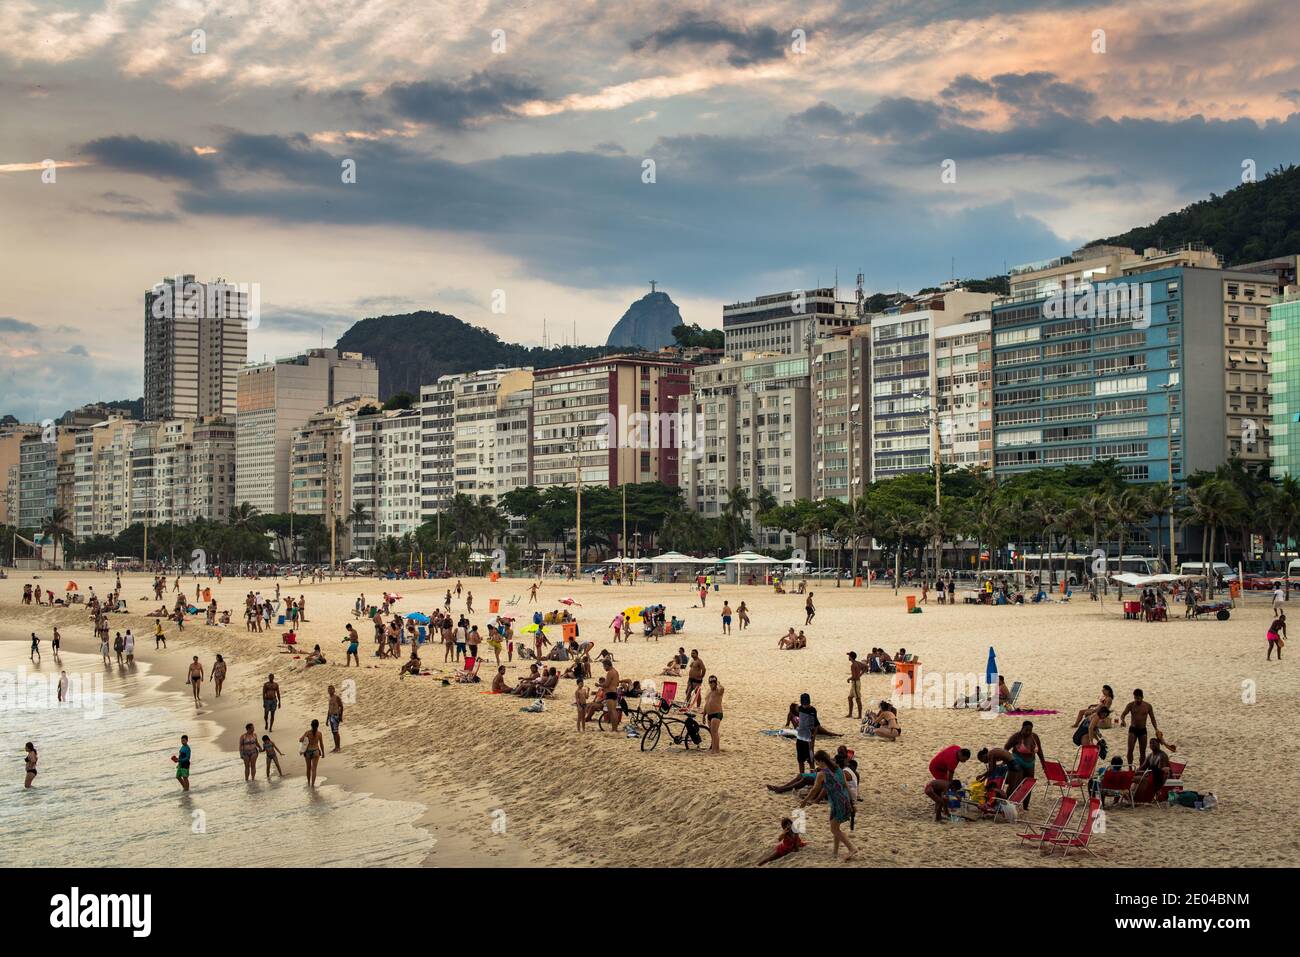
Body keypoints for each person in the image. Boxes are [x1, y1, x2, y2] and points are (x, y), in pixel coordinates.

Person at [800, 750, 856, 860]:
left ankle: (852, 848)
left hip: (838, 802)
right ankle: (835, 852)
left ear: (821, 761)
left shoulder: (822, 774)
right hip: (842, 800)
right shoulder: (838, 769)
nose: (816, 765)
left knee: (834, 829)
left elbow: (814, 790)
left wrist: (805, 801)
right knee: (835, 826)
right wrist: (852, 802)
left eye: (816, 762)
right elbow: (846, 786)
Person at [925, 745, 970, 822]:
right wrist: (954, 796)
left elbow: (950, 786)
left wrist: (954, 795)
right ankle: (938, 815)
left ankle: (944, 812)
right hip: (936, 768)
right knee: (941, 799)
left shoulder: (957, 748)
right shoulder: (953, 761)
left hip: (939, 770)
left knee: (942, 798)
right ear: (961, 755)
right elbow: (950, 781)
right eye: (964, 759)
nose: (964, 762)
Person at [1119, 689, 1159, 766]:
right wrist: (1123, 720)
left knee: (1142, 751)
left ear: (1142, 697)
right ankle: (1130, 767)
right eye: (1135, 698)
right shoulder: (1130, 705)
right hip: (1133, 729)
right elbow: (1122, 715)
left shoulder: (1148, 706)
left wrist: (1156, 729)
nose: (1136, 700)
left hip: (1142, 730)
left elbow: (1152, 719)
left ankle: (1141, 768)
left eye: (1138, 698)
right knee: (1130, 749)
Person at [794, 693, 819, 773]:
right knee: (800, 760)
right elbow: (793, 710)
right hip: (800, 738)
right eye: (804, 704)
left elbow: (816, 726)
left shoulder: (812, 710)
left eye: (807, 703)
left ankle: (812, 776)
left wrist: (813, 740)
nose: (805, 705)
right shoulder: (800, 708)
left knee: (810, 760)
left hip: (808, 739)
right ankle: (802, 775)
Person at [702, 675, 724, 754]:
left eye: (714, 681)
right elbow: (706, 703)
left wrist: (718, 684)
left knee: (714, 732)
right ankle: (713, 749)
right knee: (712, 732)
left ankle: (716, 750)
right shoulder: (709, 692)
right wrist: (704, 715)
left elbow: (722, 689)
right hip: (709, 715)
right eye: (710, 682)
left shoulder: (718, 691)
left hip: (717, 713)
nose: (712, 683)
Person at [300, 720, 325, 786]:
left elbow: (300, 740)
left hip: (308, 752)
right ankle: (312, 785)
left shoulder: (307, 733)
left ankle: (308, 783)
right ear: (318, 725)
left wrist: (303, 738)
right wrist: (323, 753)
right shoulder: (319, 733)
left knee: (308, 768)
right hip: (316, 751)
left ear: (311, 725)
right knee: (314, 769)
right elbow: (321, 744)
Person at [846, 651, 864, 719]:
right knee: (850, 698)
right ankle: (850, 714)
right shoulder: (857, 663)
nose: (848, 657)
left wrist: (848, 679)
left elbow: (853, 676)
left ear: (851, 657)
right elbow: (865, 667)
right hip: (856, 682)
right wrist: (860, 675)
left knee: (858, 699)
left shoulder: (853, 665)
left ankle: (859, 715)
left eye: (849, 656)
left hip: (855, 683)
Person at [327, 685, 345, 752]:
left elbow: (341, 706)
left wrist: (340, 716)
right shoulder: (330, 698)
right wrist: (327, 719)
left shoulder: (336, 698)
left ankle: (338, 747)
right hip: (331, 716)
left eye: (331, 689)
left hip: (335, 716)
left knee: (336, 732)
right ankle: (336, 747)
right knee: (333, 732)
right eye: (329, 689)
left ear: (334, 690)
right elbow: (329, 709)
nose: (330, 691)